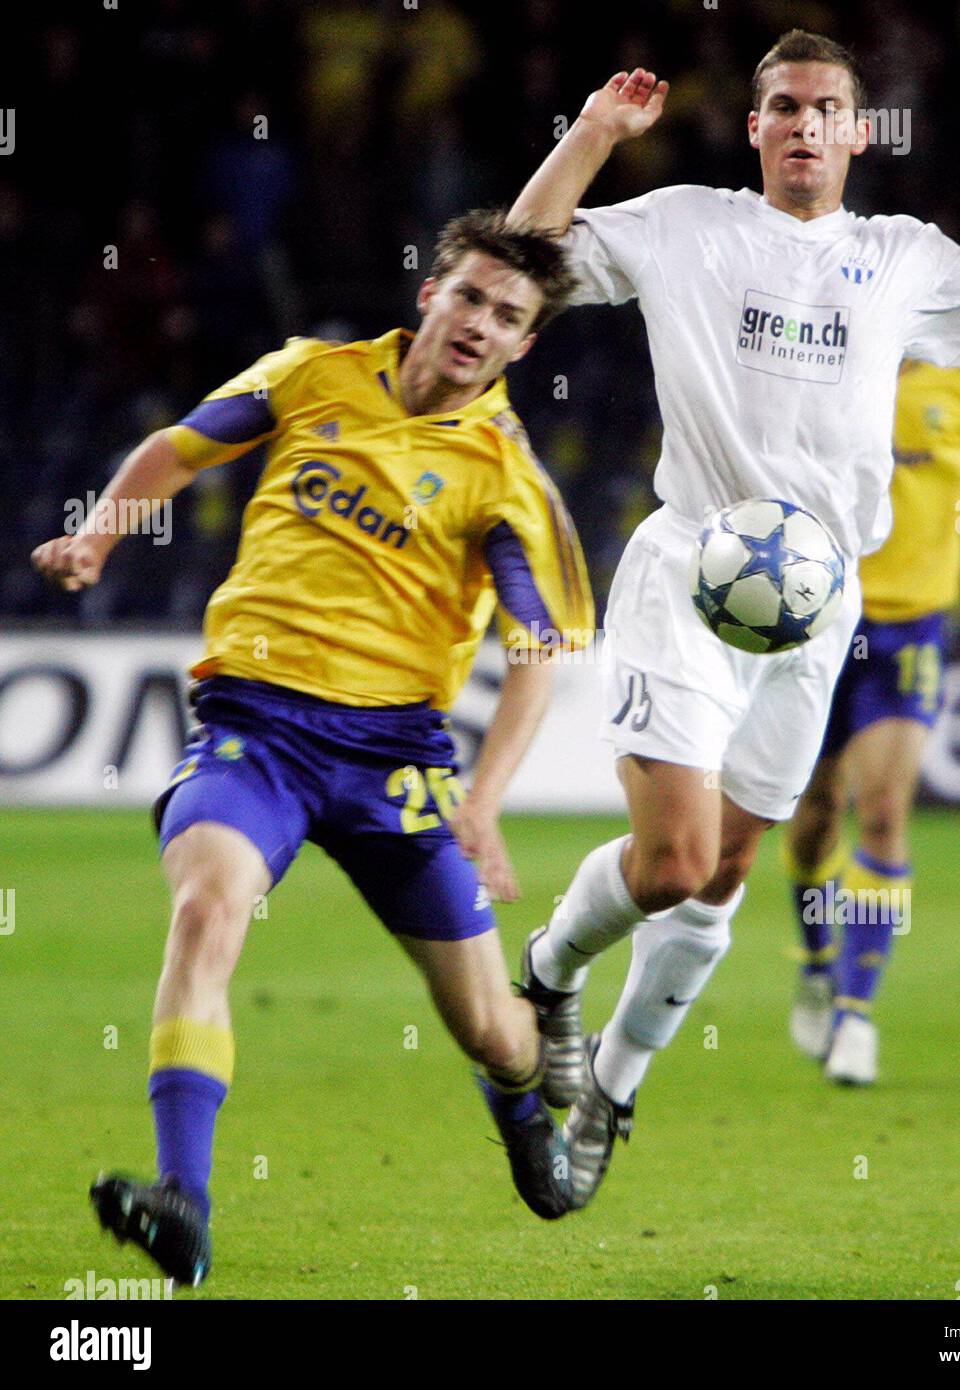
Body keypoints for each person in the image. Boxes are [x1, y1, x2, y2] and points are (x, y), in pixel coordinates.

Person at [508, 30, 960, 1209]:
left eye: (826, 108)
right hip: (688, 567)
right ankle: (548, 969)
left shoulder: (901, 258)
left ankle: (611, 1092)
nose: (803, 125)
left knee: (722, 870)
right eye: (781, 106)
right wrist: (589, 137)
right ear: (755, 129)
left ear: (858, 133)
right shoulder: (685, 225)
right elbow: (523, 259)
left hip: (819, 603)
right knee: (670, 858)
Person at [31, 210, 595, 1283]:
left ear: (526, 346)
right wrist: (101, 531)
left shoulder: (507, 478)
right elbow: (178, 448)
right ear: (430, 294)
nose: (480, 324)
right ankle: (182, 1203)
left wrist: (482, 802)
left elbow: (539, 653)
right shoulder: (313, 375)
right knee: (205, 908)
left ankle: (527, 1097)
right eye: (470, 296)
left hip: (398, 764)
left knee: (491, 1030)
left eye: (508, 316)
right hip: (258, 733)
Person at [787, 358, 960, 1085]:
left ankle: (856, 1014)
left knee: (883, 813)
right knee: (815, 813)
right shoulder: (828, 363)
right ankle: (819, 961)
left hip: (911, 629)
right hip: (819, 619)